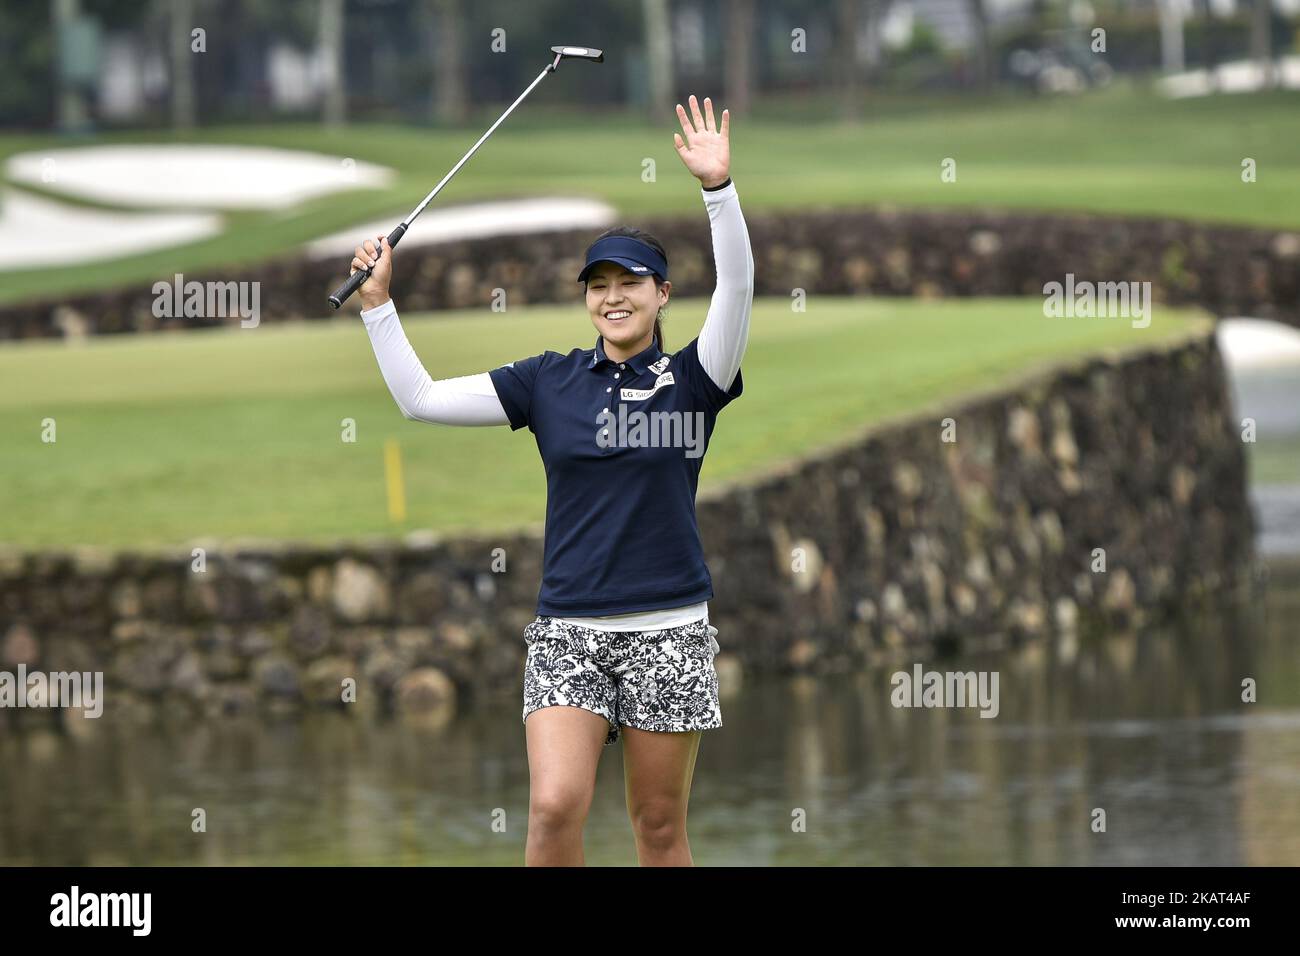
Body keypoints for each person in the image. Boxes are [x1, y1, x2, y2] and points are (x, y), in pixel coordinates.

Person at [349, 95, 753, 866]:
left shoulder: (696, 377)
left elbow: (736, 291)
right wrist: (379, 307)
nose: (612, 296)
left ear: (662, 294)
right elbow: (422, 399)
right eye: (598, 284)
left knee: (660, 828)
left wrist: (718, 192)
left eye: (630, 282)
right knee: (552, 810)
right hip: (570, 626)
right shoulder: (549, 381)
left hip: (668, 627)